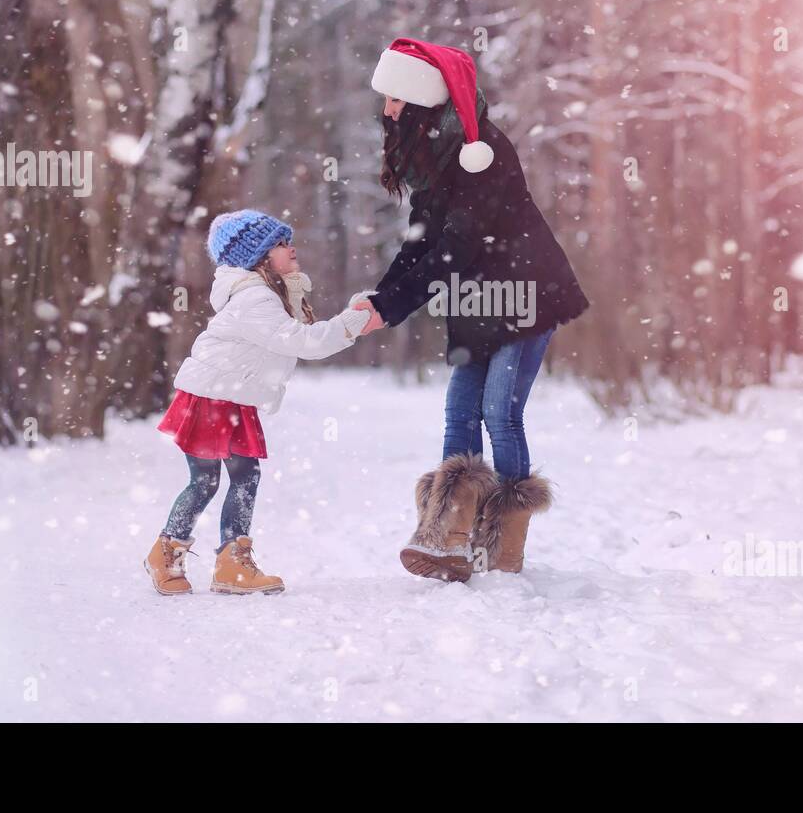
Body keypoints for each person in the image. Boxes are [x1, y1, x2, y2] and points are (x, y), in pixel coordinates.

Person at [354, 37, 590, 582]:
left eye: (395, 99)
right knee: (460, 412)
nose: (386, 110)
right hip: (475, 298)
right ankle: (447, 537)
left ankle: (503, 545)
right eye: (385, 99)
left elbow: (457, 246)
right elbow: (421, 240)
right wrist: (381, 299)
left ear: (420, 99)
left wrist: (394, 306)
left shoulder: (482, 152)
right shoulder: (431, 157)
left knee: (499, 415)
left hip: (525, 293)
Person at [143, 209, 371, 595]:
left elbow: (299, 332)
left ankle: (229, 562)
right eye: (281, 243)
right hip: (210, 398)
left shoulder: (270, 292)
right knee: (206, 482)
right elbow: (304, 341)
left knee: (240, 478)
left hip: (231, 398)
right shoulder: (254, 298)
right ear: (259, 256)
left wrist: (349, 314)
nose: (291, 247)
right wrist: (354, 322)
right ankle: (169, 555)